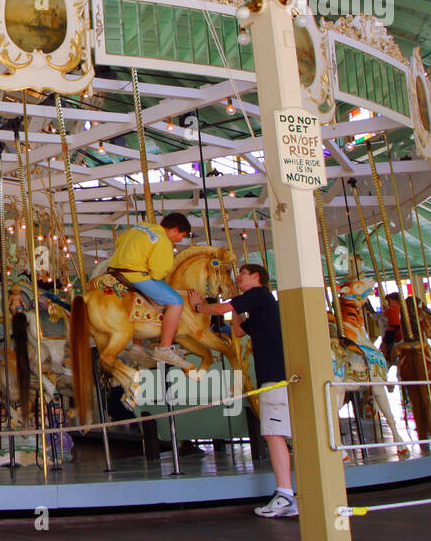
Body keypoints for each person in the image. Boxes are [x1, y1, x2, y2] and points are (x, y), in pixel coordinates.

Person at [189, 263, 296, 518]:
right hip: (272, 376)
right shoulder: (258, 305)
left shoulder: (259, 294)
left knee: (273, 435)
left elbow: (221, 308)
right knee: (275, 434)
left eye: (242, 276)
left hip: (275, 377)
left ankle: (285, 494)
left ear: (256, 277)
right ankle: (287, 493)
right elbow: (237, 330)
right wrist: (235, 307)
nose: (238, 280)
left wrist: (199, 306)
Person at [107, 212, 192, 368]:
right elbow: (159, 272)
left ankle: (138, 343)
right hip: (134, 275)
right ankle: (164, 348)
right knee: (176, 301)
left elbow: (119, 243)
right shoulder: (163, 241)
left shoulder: (140, 227)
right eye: (182, 236)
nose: (180, 240)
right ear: (175, 229)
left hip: (114, 273)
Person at [380, 292, 402, 363]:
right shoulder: (401, 309)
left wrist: (385, 308)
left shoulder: (390, 309)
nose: (388, 304)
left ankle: (386, 356)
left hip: (393, 329)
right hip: (400, 328)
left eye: (389, 302)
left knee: (384, 342)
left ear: (396, 301)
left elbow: (384, 315)